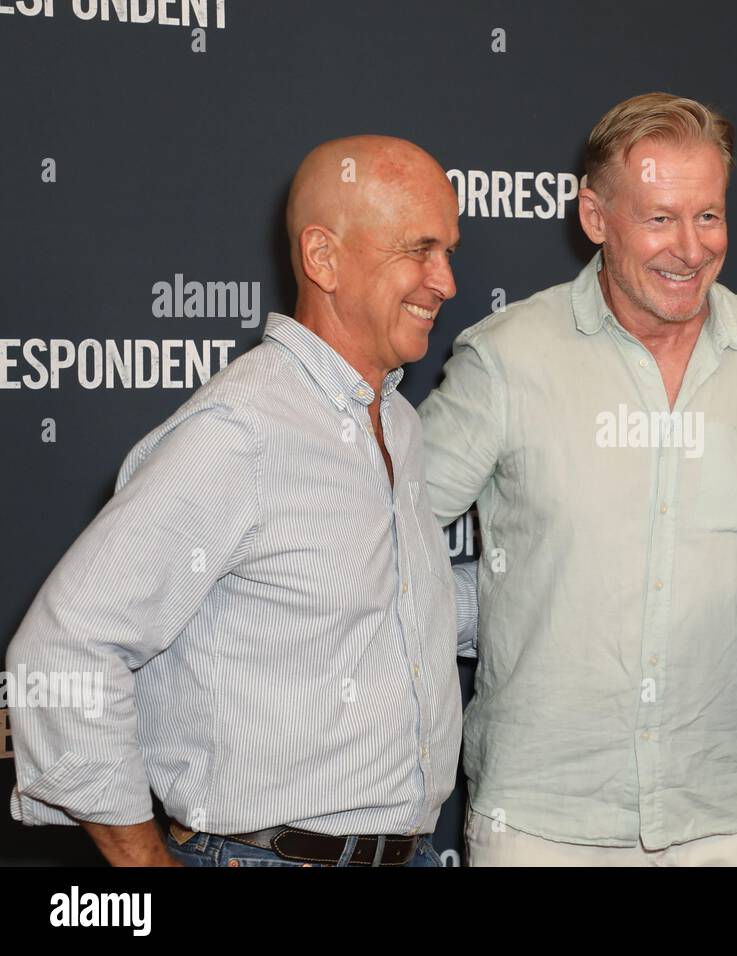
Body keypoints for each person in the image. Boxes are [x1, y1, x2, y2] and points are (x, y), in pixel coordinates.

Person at [6, 135, 473, 867]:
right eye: (418, 249)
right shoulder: (240, 432)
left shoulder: (400, 425)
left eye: (448, 249)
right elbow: (64, 649)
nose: (445, 280)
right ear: (322, 258)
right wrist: (142, 866)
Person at [418, 92, 737, 865]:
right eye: (659, 217)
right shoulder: (507, 359)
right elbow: (384, 536)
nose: (691, 247)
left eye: (709, 216)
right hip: (543, 820)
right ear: (596, 217)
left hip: (723, 816)